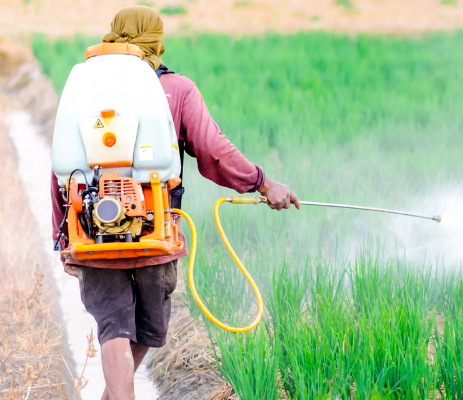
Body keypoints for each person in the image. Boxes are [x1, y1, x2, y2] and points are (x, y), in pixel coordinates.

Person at [49, 6, 299, 399]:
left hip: (90, 230)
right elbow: (213, 152)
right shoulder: (176, 88)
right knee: (149, 329)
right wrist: (262, 183)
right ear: (157, 40)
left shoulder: (84, 88)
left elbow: (61, 169)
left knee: (114, 325)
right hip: (155, 231)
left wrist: (61, 237)